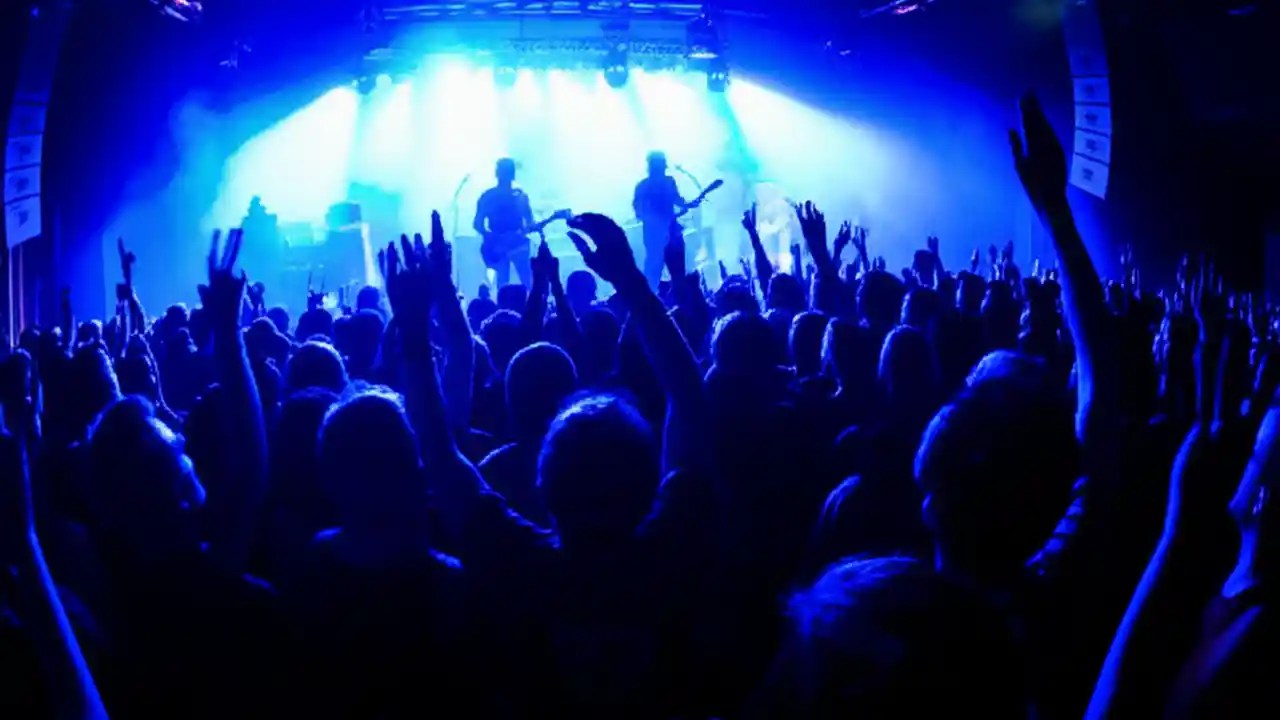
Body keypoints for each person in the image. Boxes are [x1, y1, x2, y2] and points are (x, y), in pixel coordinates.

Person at [633, 151, 697, 288]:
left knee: (678, 272)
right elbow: (639, 211)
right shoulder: (643, 186)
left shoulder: (669, 182)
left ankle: (680, 300)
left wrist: (688, 204)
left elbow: (676, 199)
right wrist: (656, 220)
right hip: (655, 235)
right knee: (653, 272)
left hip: (672, 231)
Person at [474, 157, 535, 289]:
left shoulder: (519, 196)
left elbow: (530, 223)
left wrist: (521, 232)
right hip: (499, 245)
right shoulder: (489, 196)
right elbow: (477, 224)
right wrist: (491, 237)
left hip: (517, 244)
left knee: (526, 281)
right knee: (507, 282)